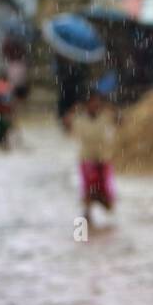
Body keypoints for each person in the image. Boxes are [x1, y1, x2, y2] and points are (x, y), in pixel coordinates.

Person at [64, 88, 117, 221]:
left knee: (106, 195)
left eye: (97, 102)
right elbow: (67, 126)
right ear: (86, 104)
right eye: (91, 102)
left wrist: (109, 107)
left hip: (103, 157)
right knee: (89, 186)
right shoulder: (79, 119)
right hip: (86, 157)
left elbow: (121, 120)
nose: (94, 105)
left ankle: (99, 200)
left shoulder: (106, 115)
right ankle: (87, 212)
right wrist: (73, 109)